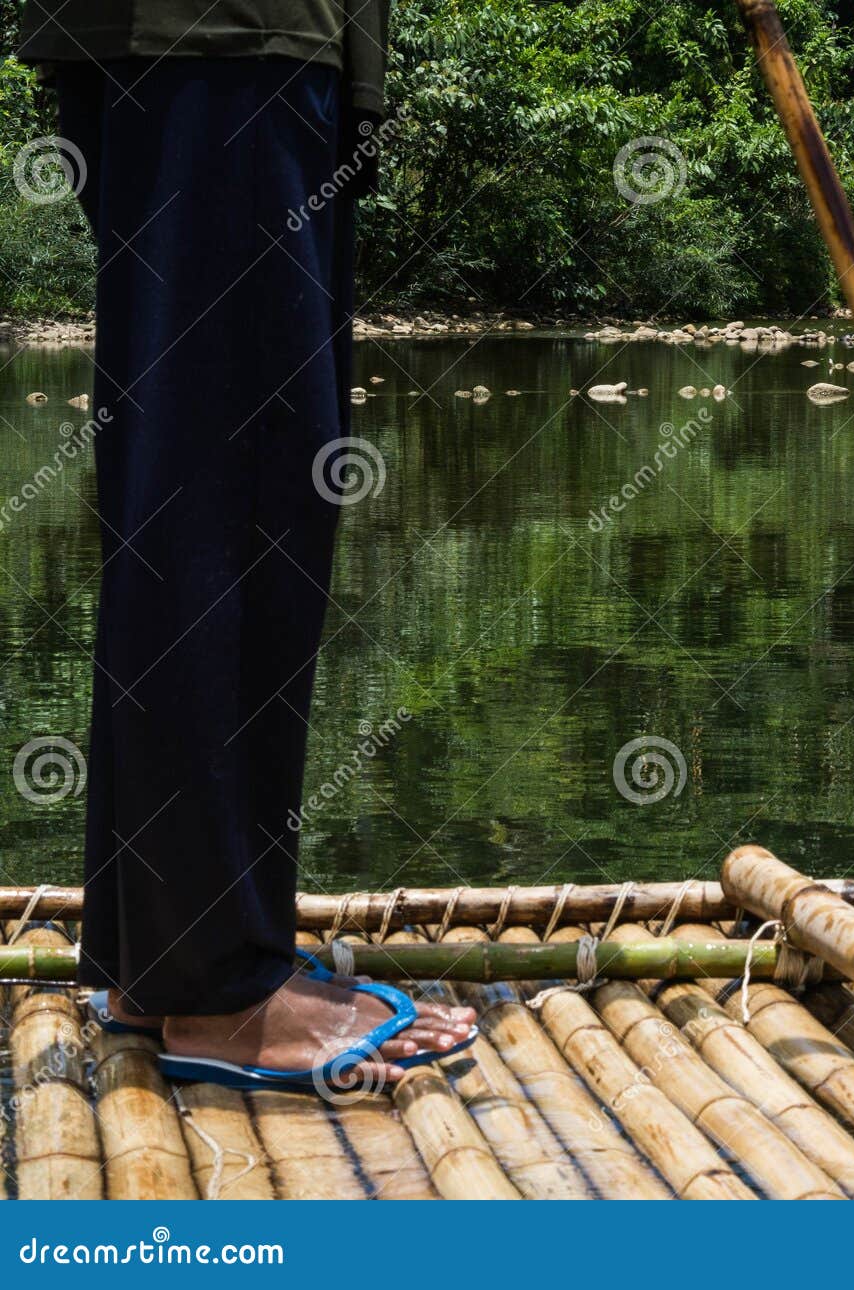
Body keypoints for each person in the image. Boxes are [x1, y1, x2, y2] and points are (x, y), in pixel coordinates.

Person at [16, 1, 477, 1092]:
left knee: (192, 485)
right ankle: (220, 992)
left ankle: (160, 956)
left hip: (214, 47)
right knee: (240, 495)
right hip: (228, 43)